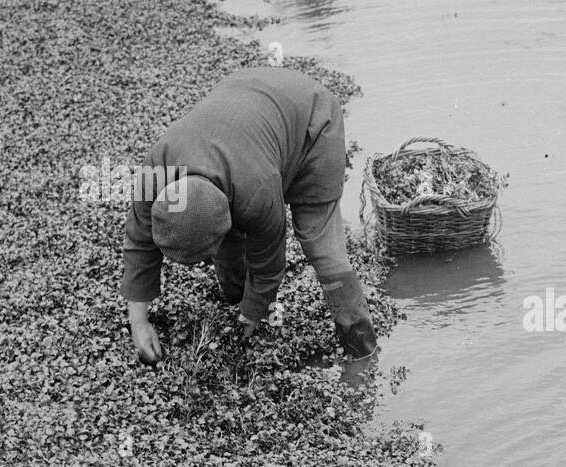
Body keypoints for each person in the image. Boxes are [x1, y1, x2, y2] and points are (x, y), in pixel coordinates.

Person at [121, 67, 378, 364]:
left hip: (312, 119)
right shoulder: (155, 171)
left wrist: (249, 318)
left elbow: (268, 264)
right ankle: (235, 296)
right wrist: (138, 323)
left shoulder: (256, 193)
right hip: (245, 104)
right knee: (225, 239)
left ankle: (359, 342)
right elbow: (139, 242)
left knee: (320, 243)